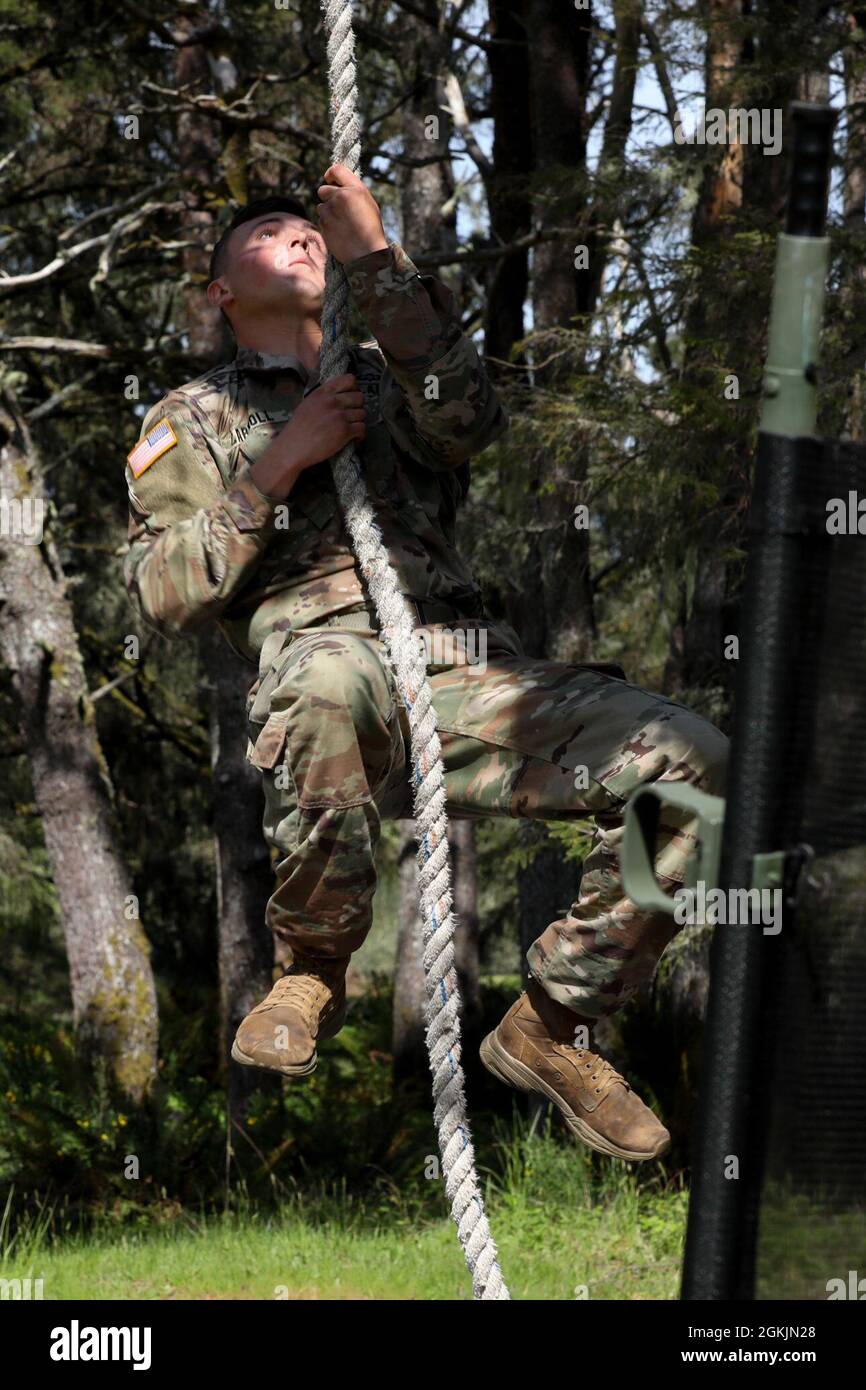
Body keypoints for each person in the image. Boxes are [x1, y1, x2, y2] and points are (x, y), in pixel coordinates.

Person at [123, 164, 728, 1163]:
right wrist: (283, 461)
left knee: (698, 762)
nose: (299, 239)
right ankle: (312, 966)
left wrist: (376, 255)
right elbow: (166, 592)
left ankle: (554, 1021)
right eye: (271, 234)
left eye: (308, 231)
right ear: (221, 291)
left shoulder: (391, 375)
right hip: (325, 667)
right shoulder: (188, 417)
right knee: (328, 676)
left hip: (458, 666)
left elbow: (466, 418)